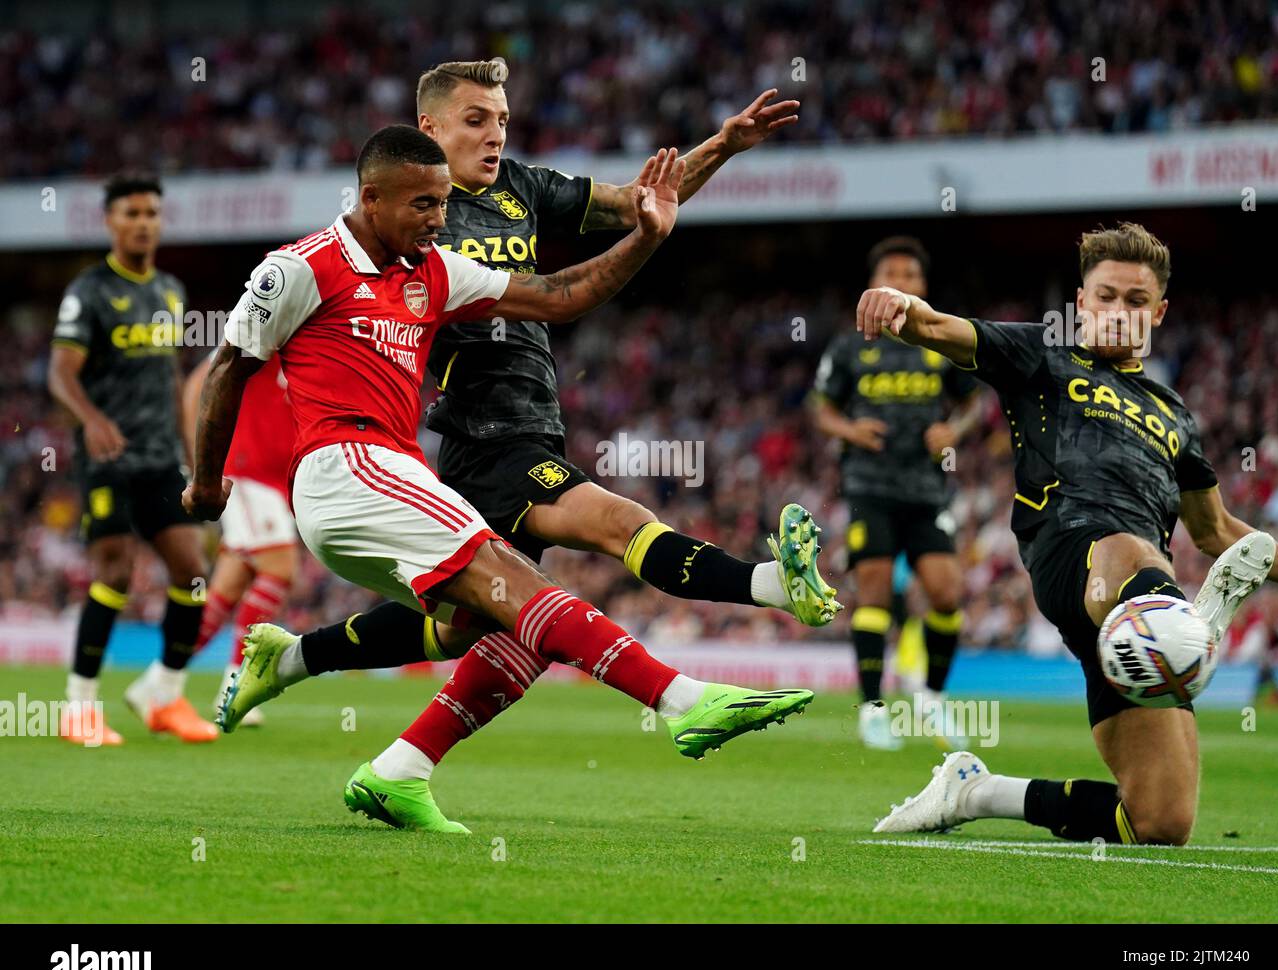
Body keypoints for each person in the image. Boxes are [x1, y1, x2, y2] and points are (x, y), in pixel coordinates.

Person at [187, 126, 813, 831]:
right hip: (347, 465)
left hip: (392, 469)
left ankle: (360, 730)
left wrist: (645, 238)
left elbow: (558, 295)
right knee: (523, 584)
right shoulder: (301, 267)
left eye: (444, 203)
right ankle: (683, 701)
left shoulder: (434, 271)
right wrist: (207, 486)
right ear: (371, 197)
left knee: (495, 625)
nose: (438, 219)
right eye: (423, 205)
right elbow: (228, 368)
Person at [281, 59, 837, 688]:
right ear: (427, 127)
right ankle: (768, 584)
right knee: (615, 522)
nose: (496, 135)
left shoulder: (522, 185)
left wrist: (724, 146)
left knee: (478, 630)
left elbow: (638, 202)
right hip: (483, 435)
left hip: (535, 422)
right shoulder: (415, 221)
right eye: (476, 120)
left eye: (503, 121)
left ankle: (318, 684)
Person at [865, 222, 1278, 845]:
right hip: (1075, 555)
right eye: (1106, 296)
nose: (1119, 312)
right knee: (1130, 550)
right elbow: (940, 330)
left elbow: (1221, 533)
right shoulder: (1042, 358)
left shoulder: (1176, 416)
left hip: (1139, 613)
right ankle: (1190, 631)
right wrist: (902, 308)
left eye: (1136, 301)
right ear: (1080, 303)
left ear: (1159, 312)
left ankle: (974, 791)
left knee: (1160, 822)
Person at [48, 172, 217, 746]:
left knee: (194, 574)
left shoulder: (169, 290)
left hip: (159, 458)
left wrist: (192, 454)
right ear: (110, 222)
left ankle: (162, 696)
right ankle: (78, 708)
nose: (143, 222)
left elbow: (170, 377)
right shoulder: (88, 291)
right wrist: (92, 420)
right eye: (131, 213)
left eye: (151, 213)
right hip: (108, 459)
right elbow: (60, 373)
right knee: (116, 572)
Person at [810, 236, 981, 750]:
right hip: (870, 486)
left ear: (923, 286)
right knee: (875, 594)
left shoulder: (941, 341)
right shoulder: (848, 346)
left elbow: (973, 403)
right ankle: (872, 709)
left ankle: (930, 697)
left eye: (910, 275)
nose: (900, 283)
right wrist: (849, 431)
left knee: (948, 593)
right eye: (891, 274)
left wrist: (954, 431)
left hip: (928, 488)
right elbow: (820, 407)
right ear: (873, 284)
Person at [182, 350, 298, 727]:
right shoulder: (268, 318)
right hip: (246, 475)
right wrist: (203, 467)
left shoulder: (305, 334)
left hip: (273, 484)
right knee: (280, 569)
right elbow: (201, 382)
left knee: (227, 589)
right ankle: (234, 683)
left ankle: (160, 681)